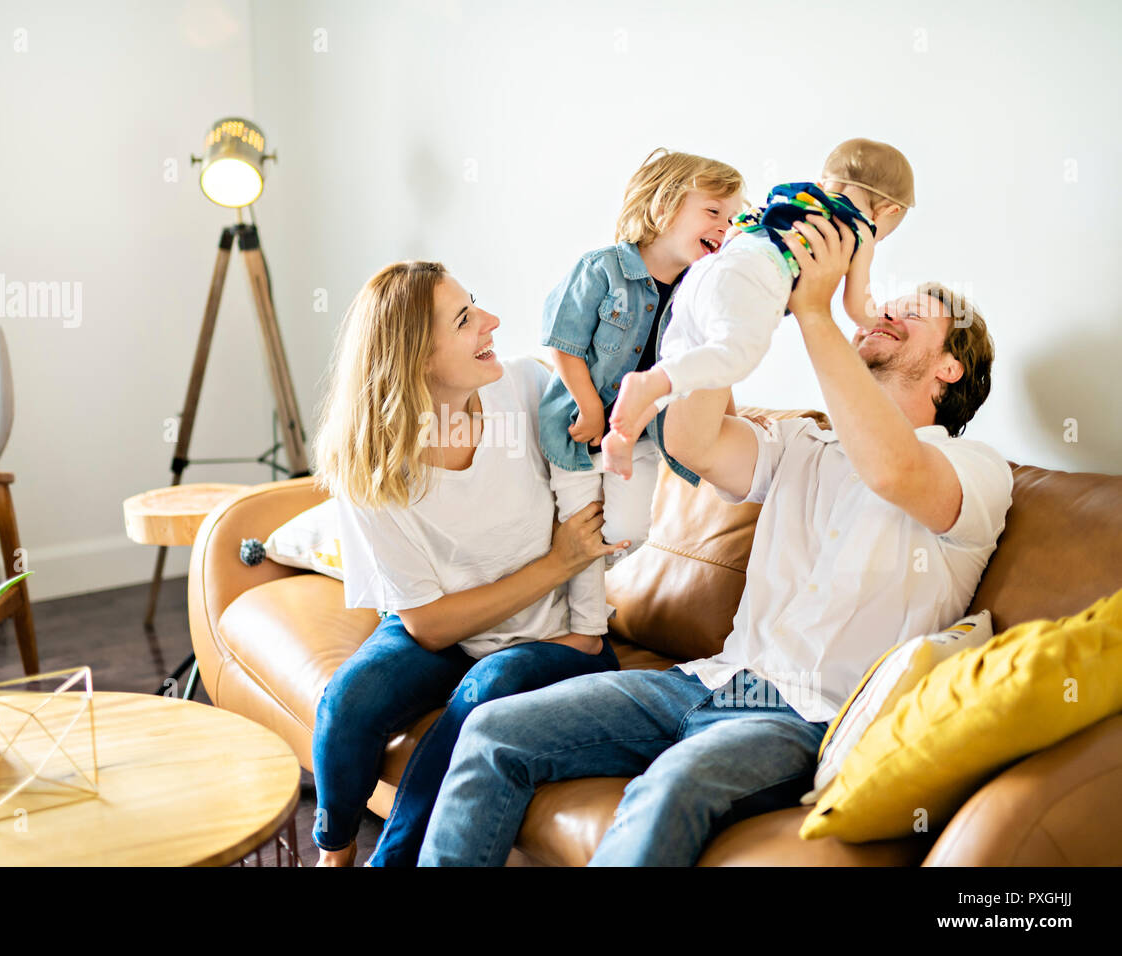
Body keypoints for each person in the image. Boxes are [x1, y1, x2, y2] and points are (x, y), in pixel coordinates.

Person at [417, 213, 1014, 866]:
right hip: (706, 680)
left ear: (951, 367)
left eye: (914, 313)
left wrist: (816, 313)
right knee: (493, 730)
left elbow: (895, 469)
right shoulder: (802, 443)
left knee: (670, 785)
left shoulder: (976, 472)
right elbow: (691, 440)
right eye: (883, 305)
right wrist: (733, 293)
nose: (882, 312)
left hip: (800, 718)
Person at [310, 260, 625, 867]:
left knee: (490, 687)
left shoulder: (528, 387)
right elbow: (427, 625)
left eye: (474, 304)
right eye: (465, 319)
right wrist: (558, 562)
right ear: (419, 359)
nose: (492, 322)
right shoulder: (371, 464)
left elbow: (607, 462)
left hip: (551, 637)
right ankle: (335, 852)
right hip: (446, 629)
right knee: (352, 696)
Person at [602, 138, 915, 479]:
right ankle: (647, 386)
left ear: (825, 182)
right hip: (749, 279)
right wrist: (873, 317)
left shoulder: (797, 195)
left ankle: (624, 433)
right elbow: (856, 306)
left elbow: (747, 225)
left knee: (688, 365)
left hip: (708, 269)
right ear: (888, 211)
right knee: (733, 354)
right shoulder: (860, 227)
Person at [539, 149, 744, 636]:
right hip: (577, 429)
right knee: (582, 527)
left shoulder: (697, 292)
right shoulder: (601, 269)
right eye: (713, 211)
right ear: (662, 207)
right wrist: (590, 408)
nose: (725, 226)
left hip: (643, 435)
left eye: (732, 218)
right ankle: (586, 631)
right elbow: (563, 344)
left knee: (631, 532)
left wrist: (731, 421)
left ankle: (560, 599)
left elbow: (711, 365)